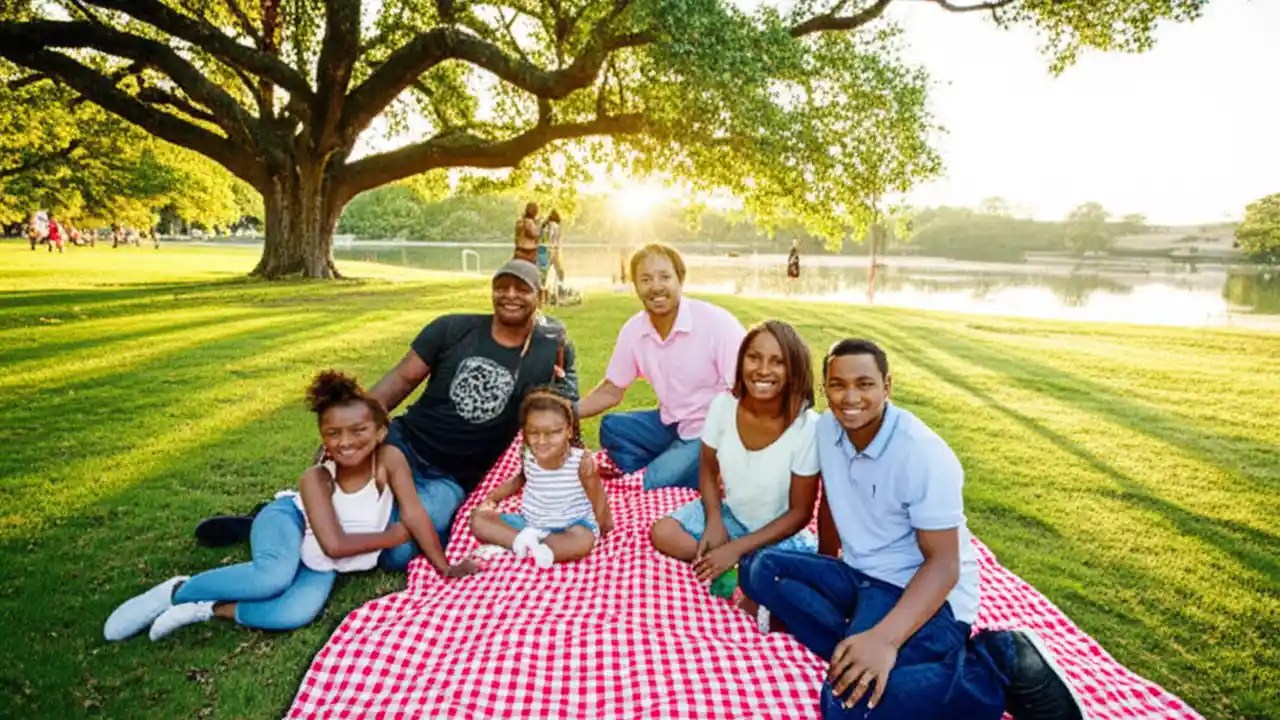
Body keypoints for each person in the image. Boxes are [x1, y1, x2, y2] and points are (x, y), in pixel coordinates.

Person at [740, 339, 1086, 720]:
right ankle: (866, 642)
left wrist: (885, 638)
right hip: (861, 578)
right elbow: (834, 501)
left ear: (887, 386)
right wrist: (827, 578)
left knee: (848, 709)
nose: (850, 396)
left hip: (926, 595)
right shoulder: (827, 431)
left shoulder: (922, 452)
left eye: (865, 384)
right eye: (838, 385)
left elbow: (944, 565)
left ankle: (997, 662)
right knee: (760, 567)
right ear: (826, 389)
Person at [194, 260, 579, 567]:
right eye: (502, 286)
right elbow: (400, 379)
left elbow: (564, 409)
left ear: (539, 295)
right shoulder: (452, 329)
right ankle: (273, 520)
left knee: (396, 554)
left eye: (522, 288)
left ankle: (327, 529)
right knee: (340, 494)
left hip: (453, 477)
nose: (509, 295)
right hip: (403, 444)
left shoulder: (552, 347)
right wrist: (354, 432)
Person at [103, 370, 463, 642]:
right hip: (292, 522)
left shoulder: (391, 459)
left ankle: (205, 609)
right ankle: (175, 591)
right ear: (322, 437)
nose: (346, 442)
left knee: (295, 612)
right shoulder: (316, 478)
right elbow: (333, 544)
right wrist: (392, 537)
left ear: (381, 431)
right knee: (271, 577)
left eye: (358, 431)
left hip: (326, 562)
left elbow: (413, 512)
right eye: (333, 434)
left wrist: (444, 566)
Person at [650, 320, 821, 597]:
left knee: (776, 574)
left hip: (776, 533)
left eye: (777, 362)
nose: (763, 370)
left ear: (794, 370)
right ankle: (729, 566)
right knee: (664, 532)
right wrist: (715, 520)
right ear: (742, 361)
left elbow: (800, 514)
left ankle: (739, 565)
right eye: (754, 357)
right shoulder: (724, 406)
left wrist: (735, 549)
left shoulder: (807, 428)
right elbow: (706, 469)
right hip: (732, 515)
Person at [577, 243, 746, 490]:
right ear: (635, 285)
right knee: (613, 428)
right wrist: (565, 413)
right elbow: (612, 389)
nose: (655, 286)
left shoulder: (716, 323)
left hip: (713, 431)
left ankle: (683, 470)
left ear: (680, 279)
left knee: (655, 480)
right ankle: (683, 468)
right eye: (645, 279)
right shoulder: (635, 330)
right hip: (672, 423)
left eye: (664, 277)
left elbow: (746, 392)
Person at [469, 388, 613, 568]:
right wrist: (491, 498)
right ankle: (527, 544)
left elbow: (597, 495)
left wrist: (603, 526)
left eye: (553, 433)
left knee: (583, 540)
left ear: (568, 431)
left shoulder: (580, 463)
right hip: (530, 524)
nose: (542, 441)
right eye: (534, 433)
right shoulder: (529, 455)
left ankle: (528, 548)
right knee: (478, 520)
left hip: (570, 526)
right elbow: (519, 479)